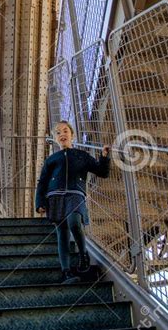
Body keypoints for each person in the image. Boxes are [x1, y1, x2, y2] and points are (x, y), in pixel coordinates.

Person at [35, 120, 111, 285]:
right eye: (58, 133)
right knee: (62, 234)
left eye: (65, 131)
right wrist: (39, 202)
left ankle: (83, 254)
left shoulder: (81, 155)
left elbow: (102, 172)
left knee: (74, 223)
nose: (62, 134)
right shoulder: (51, 159)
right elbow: (42, 182)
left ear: (72, 135)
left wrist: (104, 157)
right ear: (55, 138)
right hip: (54, 197)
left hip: (75, 194)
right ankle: (66, 272)